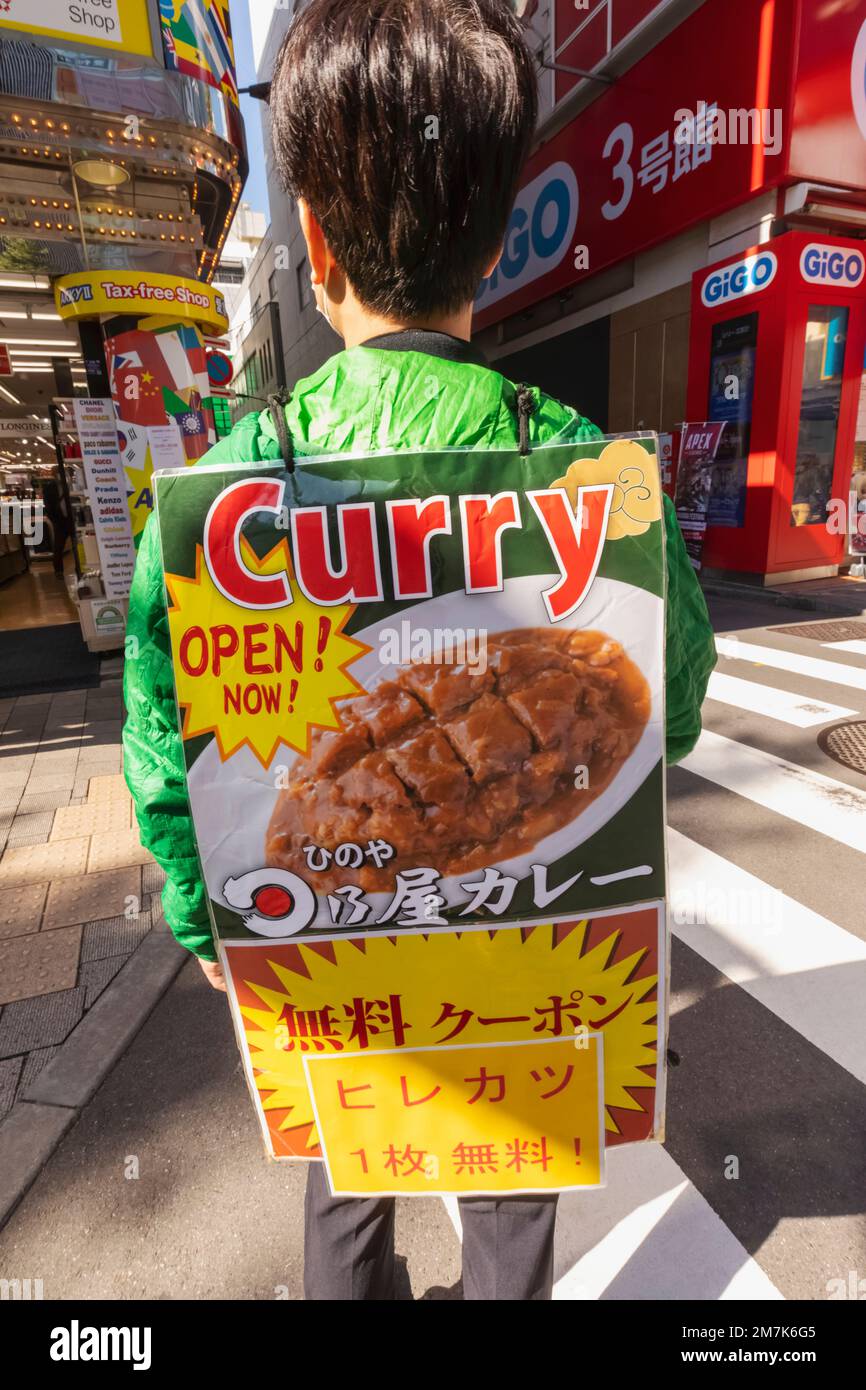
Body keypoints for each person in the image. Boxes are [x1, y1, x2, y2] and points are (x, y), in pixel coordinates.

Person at [123, 0, 716, 1301]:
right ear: (498, 239)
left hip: (329, 929)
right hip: (526, 926)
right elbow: (663, 713)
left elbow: (173, 775)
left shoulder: (230, 495)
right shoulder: (597, 474)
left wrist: (218, 925)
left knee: (346, 1134)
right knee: (512, 1134)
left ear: (316, 241)